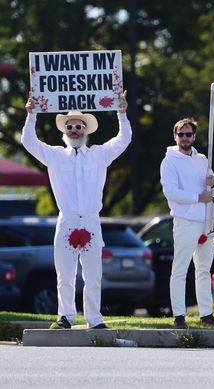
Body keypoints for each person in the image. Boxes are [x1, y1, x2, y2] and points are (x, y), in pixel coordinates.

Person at [21, 91, 131, 330]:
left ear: (86, 130)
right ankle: (66, 317)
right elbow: (29, 142)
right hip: (67, 220)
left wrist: (121, 114)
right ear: (64, 131)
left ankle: (95, 319)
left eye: (79, 126)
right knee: (65, 274)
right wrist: (31, 115)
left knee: (93, 274)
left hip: (91, 220)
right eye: (70, 126)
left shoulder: (99, 155)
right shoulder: (55, 156)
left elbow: (123, 140)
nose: (74, 130)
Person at [160, 118, 214, 328]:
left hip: (206, 219)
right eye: (180, 134)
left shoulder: (202, 159)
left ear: (194, 136)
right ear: (175, 136)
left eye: (188, 134)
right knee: (180, 268)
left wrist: (211, 185)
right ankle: (179, 315)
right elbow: (170, 192)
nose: (184, 138)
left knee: (204, 269)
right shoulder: (169, 161)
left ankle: (206, 313)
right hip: (185, 219)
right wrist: (197, 197)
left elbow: (210, 190)